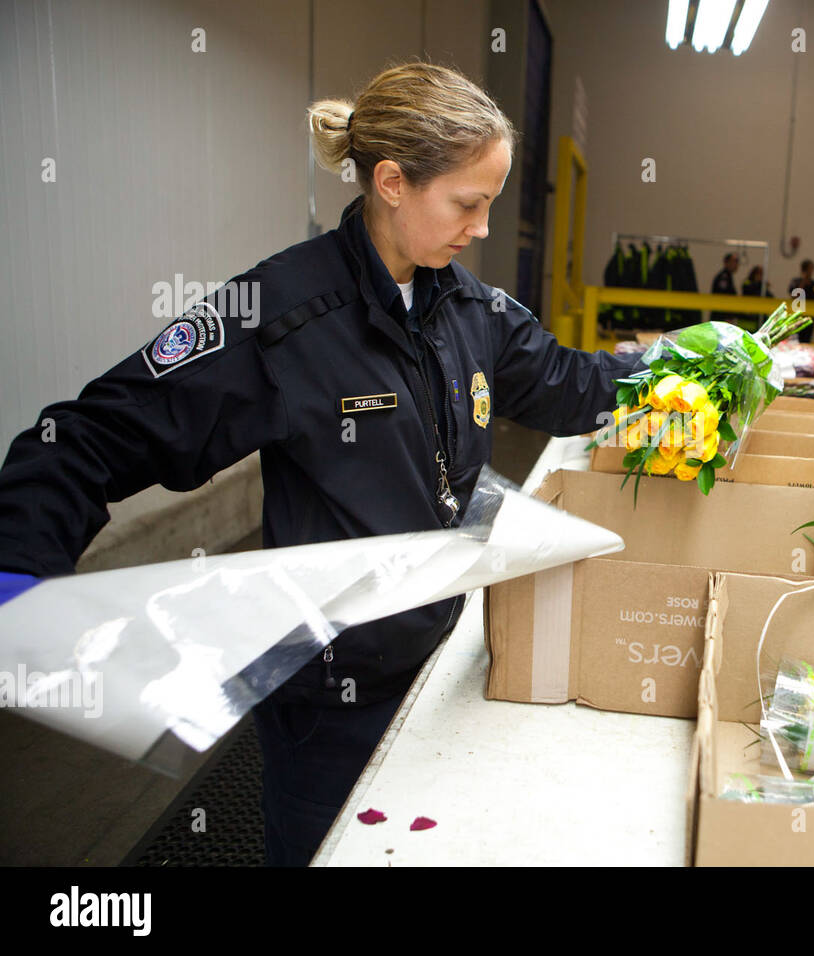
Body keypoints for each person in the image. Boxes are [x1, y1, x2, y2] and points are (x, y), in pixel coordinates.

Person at [0, 63, 641, 866]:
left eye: (490, 204)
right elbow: (89, 438)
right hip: (330, 699)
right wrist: (16, 570)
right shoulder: (281, 317)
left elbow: (568, 384)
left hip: (441, 664)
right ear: (393, 181)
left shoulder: (466, 308)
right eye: (468, 204)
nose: (481, 229)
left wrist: (681, 368)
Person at [788, 259, 814, 343]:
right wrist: (803, 282)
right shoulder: (796, 282)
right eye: (809, 269)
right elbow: (794, 295)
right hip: (797, 316)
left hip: (810, 317)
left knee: (807, 341)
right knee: (795, 340)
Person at [710, 252, 741, 323]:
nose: (736, 264)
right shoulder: (723, 277)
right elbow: (722, 297)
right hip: (721, 318)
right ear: (726, 263)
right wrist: (726, 317)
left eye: (737, 262)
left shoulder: (728, 277)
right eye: (734, 261)